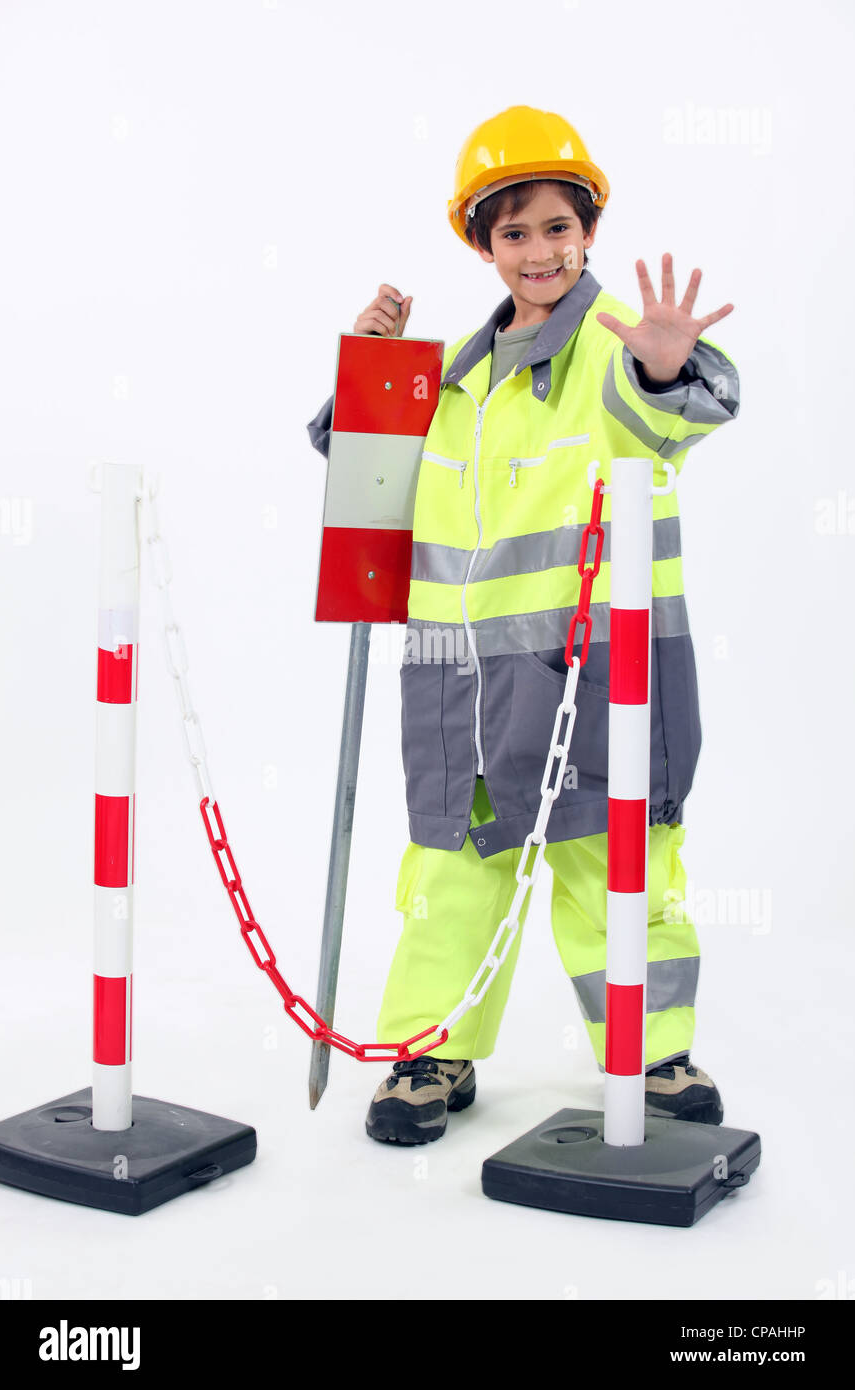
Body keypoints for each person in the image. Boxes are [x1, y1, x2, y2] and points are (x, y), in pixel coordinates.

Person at [306, 105, 740, 1145]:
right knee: (452, 870)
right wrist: (368, 373)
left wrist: (669, 366)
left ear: (586, 230)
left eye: (556, 226)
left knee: (617, 861)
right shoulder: (449, 379)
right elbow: (361, 464)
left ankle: (652, 1048)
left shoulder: (615, 348)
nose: (537, 250)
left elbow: (673, 411)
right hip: (462, 678)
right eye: (513, 232)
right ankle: (429, 1051)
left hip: (601, 669)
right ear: (483, 243)